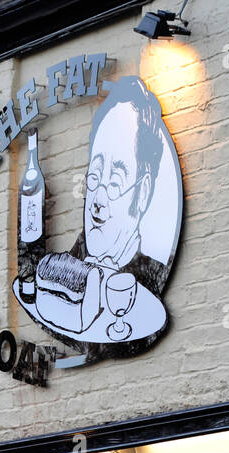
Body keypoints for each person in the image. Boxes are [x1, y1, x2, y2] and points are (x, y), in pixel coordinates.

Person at [68, 76, 169, 297]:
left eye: (115, 181)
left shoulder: (150, 286)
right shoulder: (64, 271)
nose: (97, 201)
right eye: (94, 175)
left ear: (142, 193)